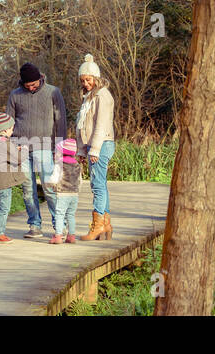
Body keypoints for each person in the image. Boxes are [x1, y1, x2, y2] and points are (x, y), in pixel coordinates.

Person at [5, 62, 68, 239]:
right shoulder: (15, 95)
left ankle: (60, 225)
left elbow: (60, 121)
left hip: (45, 147)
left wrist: (60, 147)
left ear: (40, 78)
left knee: (49, 187)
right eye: (28, 85)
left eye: (34, 84)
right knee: (28, 190)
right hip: (21, 148)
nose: (32, 88)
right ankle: (34, 225)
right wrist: (10, 146)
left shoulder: (53, 92)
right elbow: (8, 122)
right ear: (22, 83)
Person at [76, 54, 116, 241]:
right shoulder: (89, 98)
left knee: (97, 185)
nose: (85, 83)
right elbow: (83, 126)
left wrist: (94, 150)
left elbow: (101, 124)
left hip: (102, 144)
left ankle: (98, 224)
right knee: (100, 184)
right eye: (83, 80)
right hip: (93, 145)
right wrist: (82, 150)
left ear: (96, 78)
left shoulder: (102, 96)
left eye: (88, 79)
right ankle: (105, 224)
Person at [0, 112, 26, 244]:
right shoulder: (5, 144)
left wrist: (15, 149)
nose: (12, 131)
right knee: (4, 208)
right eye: (11, 129)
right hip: (4, 182)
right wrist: (23, 150)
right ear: (4, 130)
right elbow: (18, 159)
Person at [46, 138, 82, 244]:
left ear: (62, 152)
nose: (56, 154)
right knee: (71, 215)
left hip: (63, 194)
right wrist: (77, 190)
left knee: (60, 214)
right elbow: (80, 180)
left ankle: (58, 235)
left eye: (57, 152)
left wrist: (51, 184)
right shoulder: (77, 165)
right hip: (74, 194)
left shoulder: (60, 164)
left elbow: (55, 178)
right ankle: (71, 236)